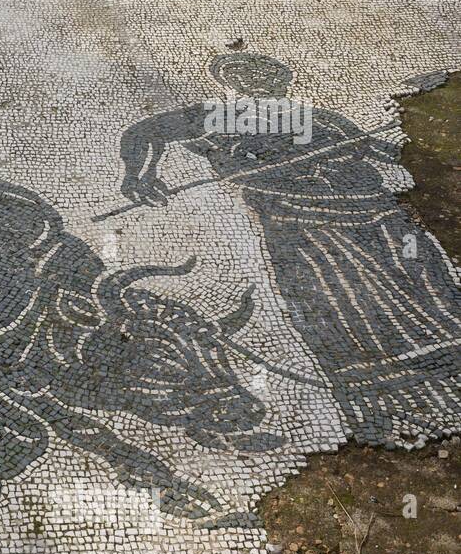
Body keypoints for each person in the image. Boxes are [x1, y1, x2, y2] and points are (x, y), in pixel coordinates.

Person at [118, 51, 461, 445]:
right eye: (242, 74)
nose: (256, 79)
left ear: (282, 80)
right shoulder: (220, 117)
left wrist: (416, 122)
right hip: (307, 229)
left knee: (436, 299)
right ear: (228, 85)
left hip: (381, 219)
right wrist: (139, 174)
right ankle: (392, 415)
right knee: (342, 313)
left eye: (264, 72)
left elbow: (387, 152)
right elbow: (142, 132)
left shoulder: (320, 117)